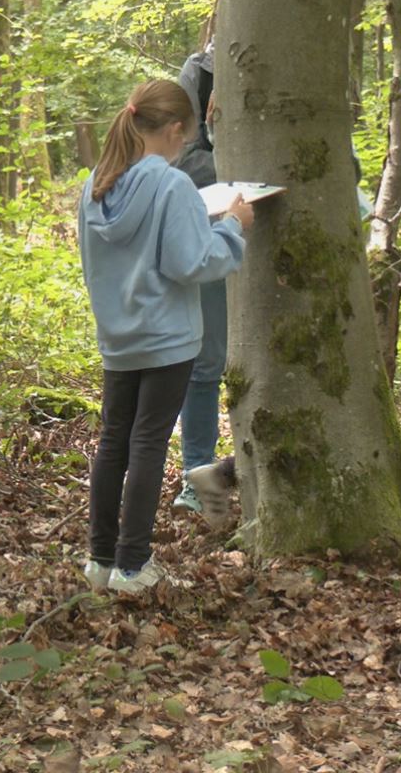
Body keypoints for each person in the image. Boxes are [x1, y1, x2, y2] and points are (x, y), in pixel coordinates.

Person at [77, 80, 253, 594]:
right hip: (167, 338)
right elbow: (191, 262)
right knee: (148, 443)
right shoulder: (171, 185)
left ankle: (101, 560)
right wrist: (233, 226)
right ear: (176, 130)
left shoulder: (97, 184)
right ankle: (134, 565)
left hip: (119, 334)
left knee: (114, 443)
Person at [170, 44, 227, 516]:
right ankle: (199, 476)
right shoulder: (201, 70)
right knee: (206, 362)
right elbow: (183, 160)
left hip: (284, 239)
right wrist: (233, 159)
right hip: (216, 230)